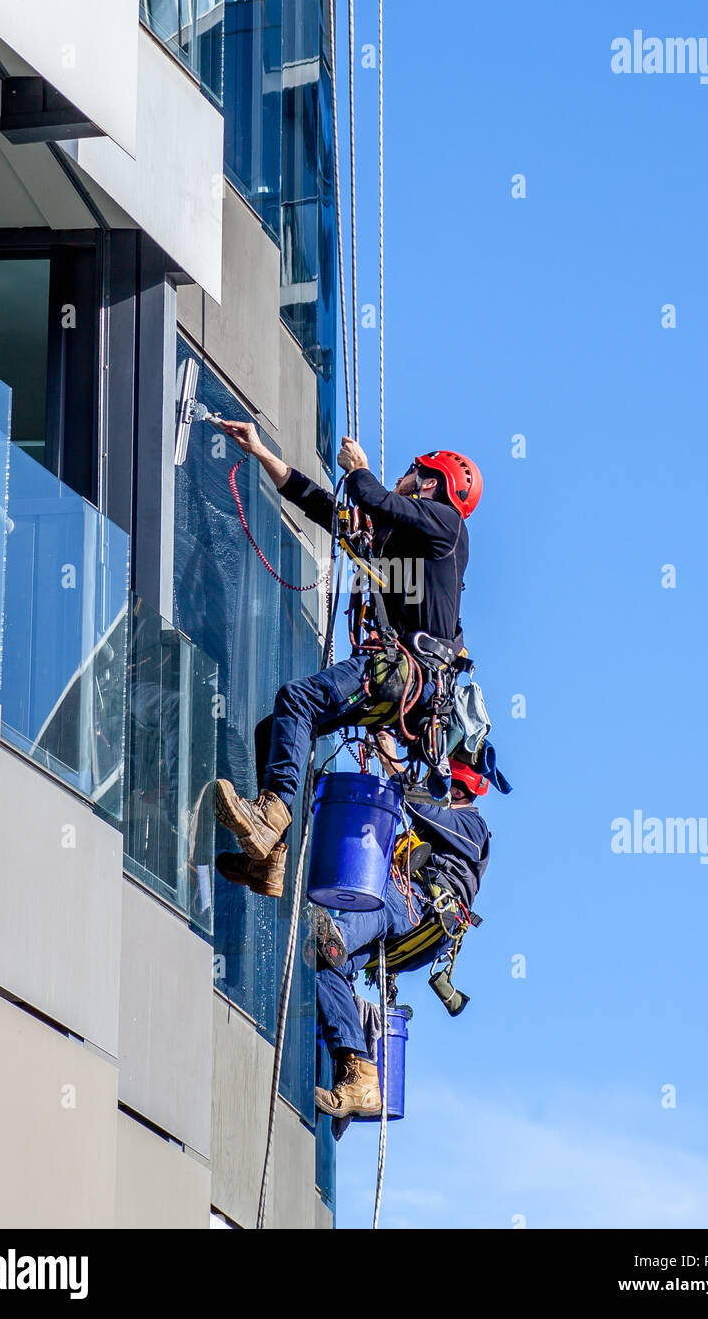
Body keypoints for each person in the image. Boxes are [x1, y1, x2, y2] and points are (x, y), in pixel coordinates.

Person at [212, 421, 483, 899]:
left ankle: (271, 813)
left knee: (297, 699)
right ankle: (269, 858)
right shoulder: (395, 540)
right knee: (274, 726)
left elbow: (374, 497)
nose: (402, 478)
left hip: (402, 673)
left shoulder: (448, 525)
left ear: (430, 482)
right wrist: (261, 453)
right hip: (400, 685)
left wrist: (359, 469)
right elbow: (323, 506)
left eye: (412, 472)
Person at [312, 756, 492, 1118]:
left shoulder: (472, 826)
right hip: (404, 931)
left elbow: (423, 808)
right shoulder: (435, 826)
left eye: (446, 788)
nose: (440, 792)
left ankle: (340, 936)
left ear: (460, 790)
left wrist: (390, 759)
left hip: (422, 908)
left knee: (378, 897)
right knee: (324, 966)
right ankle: (358, 1074)